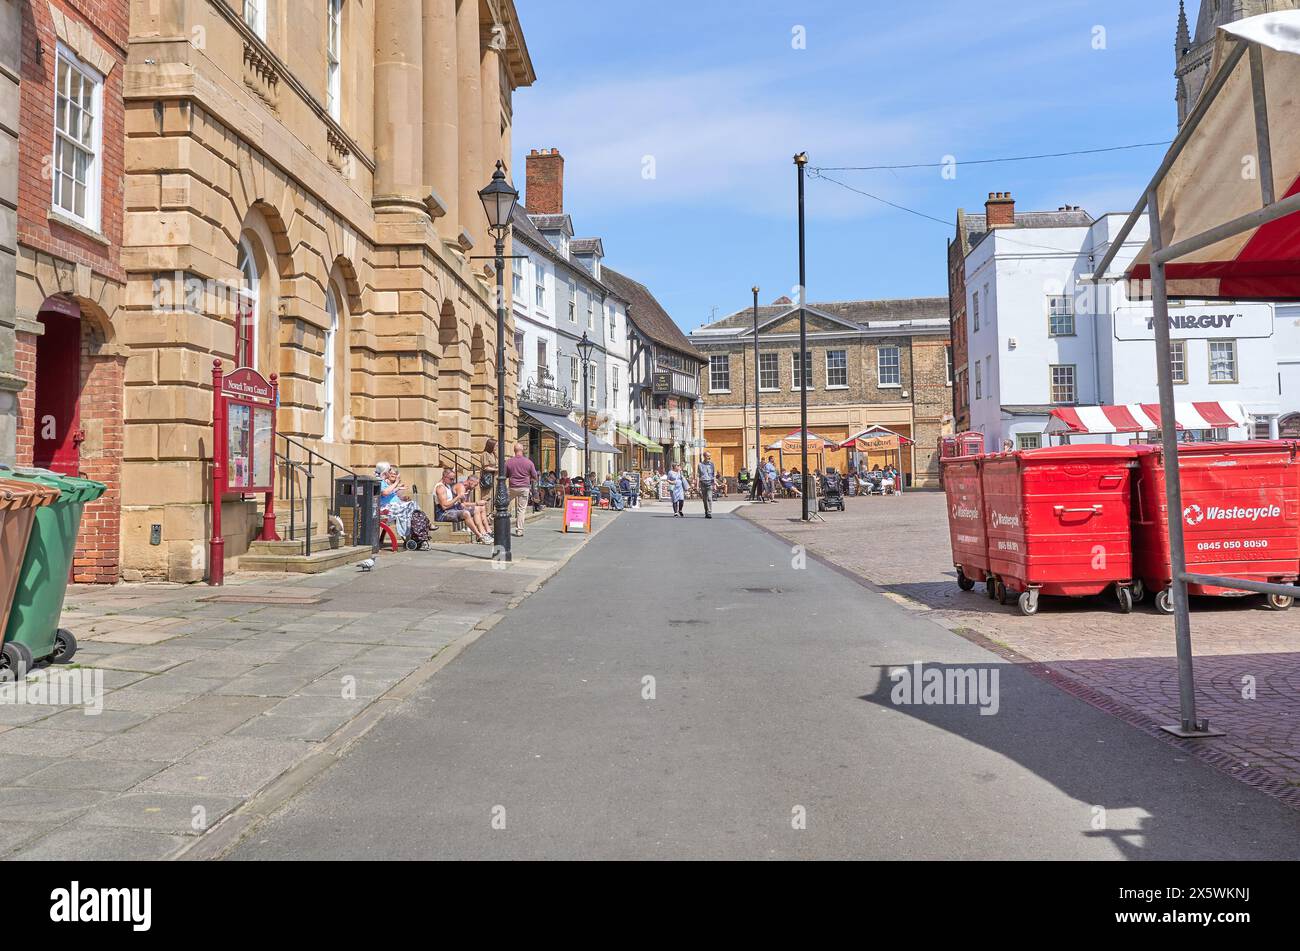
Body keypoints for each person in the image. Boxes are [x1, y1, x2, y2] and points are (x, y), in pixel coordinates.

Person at [433, 468, 492, 544]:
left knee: (476, 509)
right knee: (466, 513)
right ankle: (480, 536)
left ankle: (484, 533)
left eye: (454, 479)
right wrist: (458, 497)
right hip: (443, 513)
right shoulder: (440, 488)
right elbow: (444, 506)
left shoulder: (447, 485)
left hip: (452, 509)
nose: (453, 481)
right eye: (451, 479)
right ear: (444, 477)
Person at [375, 463, 417, 541]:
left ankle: (413, 535)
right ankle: (409, 535)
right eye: (389, 470)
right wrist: (396, 483)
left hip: (391, 507)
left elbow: (389, 492)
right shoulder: (379, 480)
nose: (390, 472)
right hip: (385, 509)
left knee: (413, 508)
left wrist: (398, 488)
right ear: (385, 472)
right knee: (412, 507)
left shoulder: (382, 481)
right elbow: (384, 492)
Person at [504, 441, 538, 538]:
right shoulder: (529, 462)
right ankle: (519, 530)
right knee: (521, 510)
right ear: (522, 450)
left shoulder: (509, 462)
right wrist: (529, 478)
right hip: (524, 488)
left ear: (514, 451)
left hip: (512, 487)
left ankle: (493, 520)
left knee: (502, 505)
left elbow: (505, 475)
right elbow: (535, 476)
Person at [696, 451, 717, 519]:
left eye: (710, 456)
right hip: (703, 483)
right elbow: (698, 476)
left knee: (710, 498)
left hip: (710, 483)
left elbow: (714, 475)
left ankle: (709, 512)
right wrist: (697, 485)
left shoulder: (712, 464)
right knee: (705, 499)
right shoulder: (700, 465)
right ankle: (706, 511)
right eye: (708, 456)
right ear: (704, 456)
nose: (709, 457)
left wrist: (715, 484)